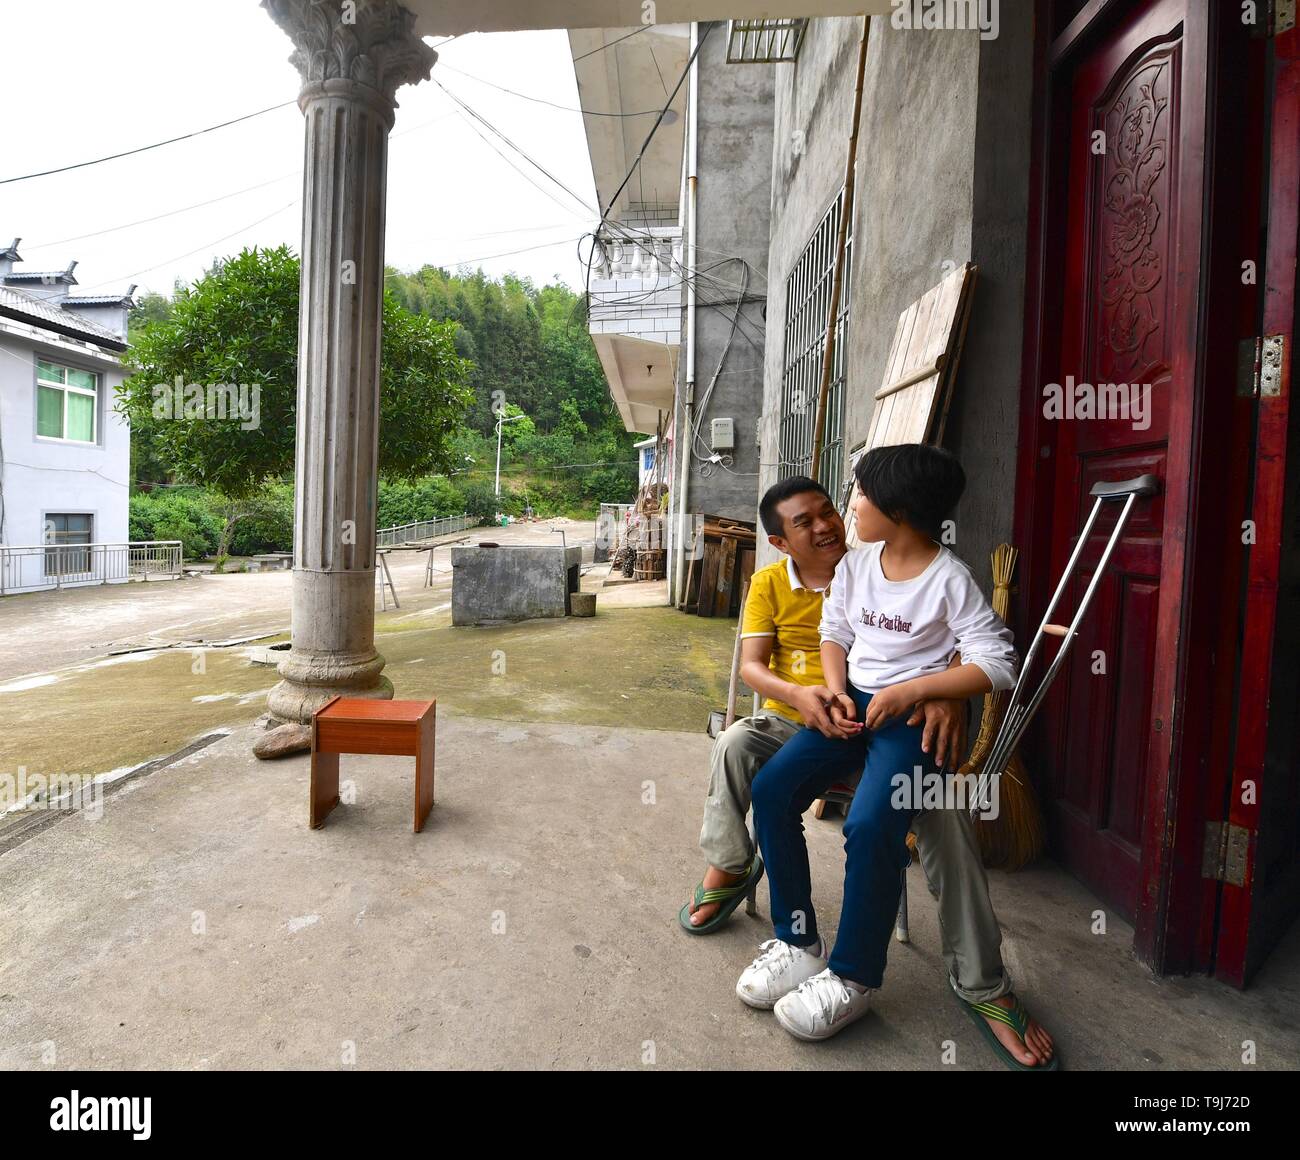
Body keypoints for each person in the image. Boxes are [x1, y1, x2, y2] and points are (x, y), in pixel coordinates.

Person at [733, 446, 1054, 1066]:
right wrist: (830, 688)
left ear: (899, 511)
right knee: (772, 790)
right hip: (850, 705)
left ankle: (853, 976)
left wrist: (918, 689)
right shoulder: (857, 566)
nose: (848, 507)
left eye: (857, 495)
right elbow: (836, 632)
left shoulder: (948, 578)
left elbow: (997, 663)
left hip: (909, 723)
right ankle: (797, 940)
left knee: (871, 823)